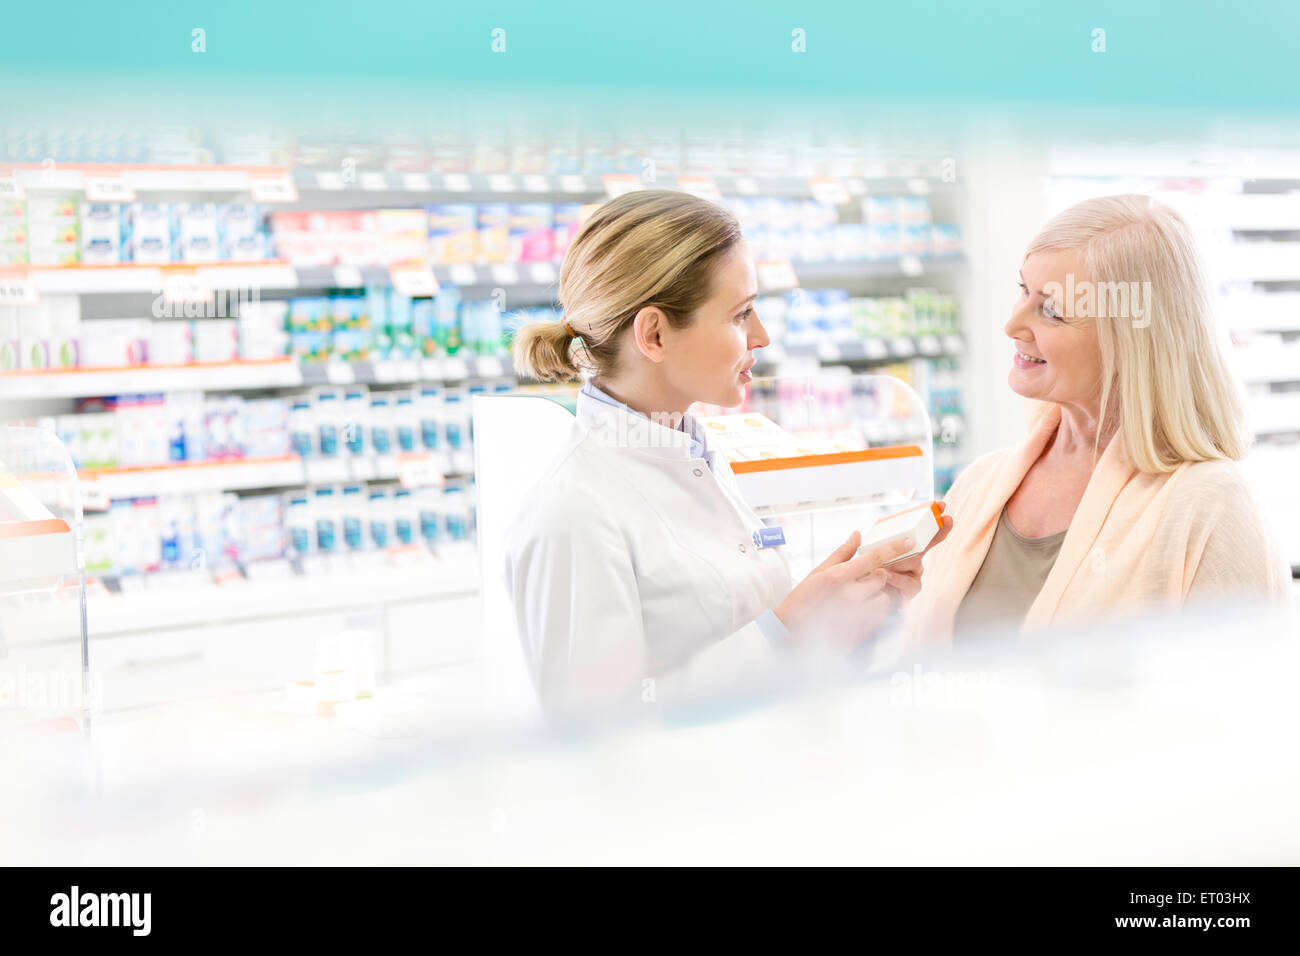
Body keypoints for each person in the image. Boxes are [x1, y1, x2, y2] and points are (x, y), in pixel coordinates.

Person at [504, 189, 951, 718]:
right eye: (741, 315)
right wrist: (786, 632)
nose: (761, 336)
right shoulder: (574, 510)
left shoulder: (693, 450)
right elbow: (592, 741)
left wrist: (848, 621)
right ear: (654, 334)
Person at [907, 194, 1291, 646]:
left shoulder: (1211, 507)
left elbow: (1241, 701)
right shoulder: (979, 484)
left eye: (1051, 310)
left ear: (1131, 341)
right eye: (1023, 291)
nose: (1012, 324)